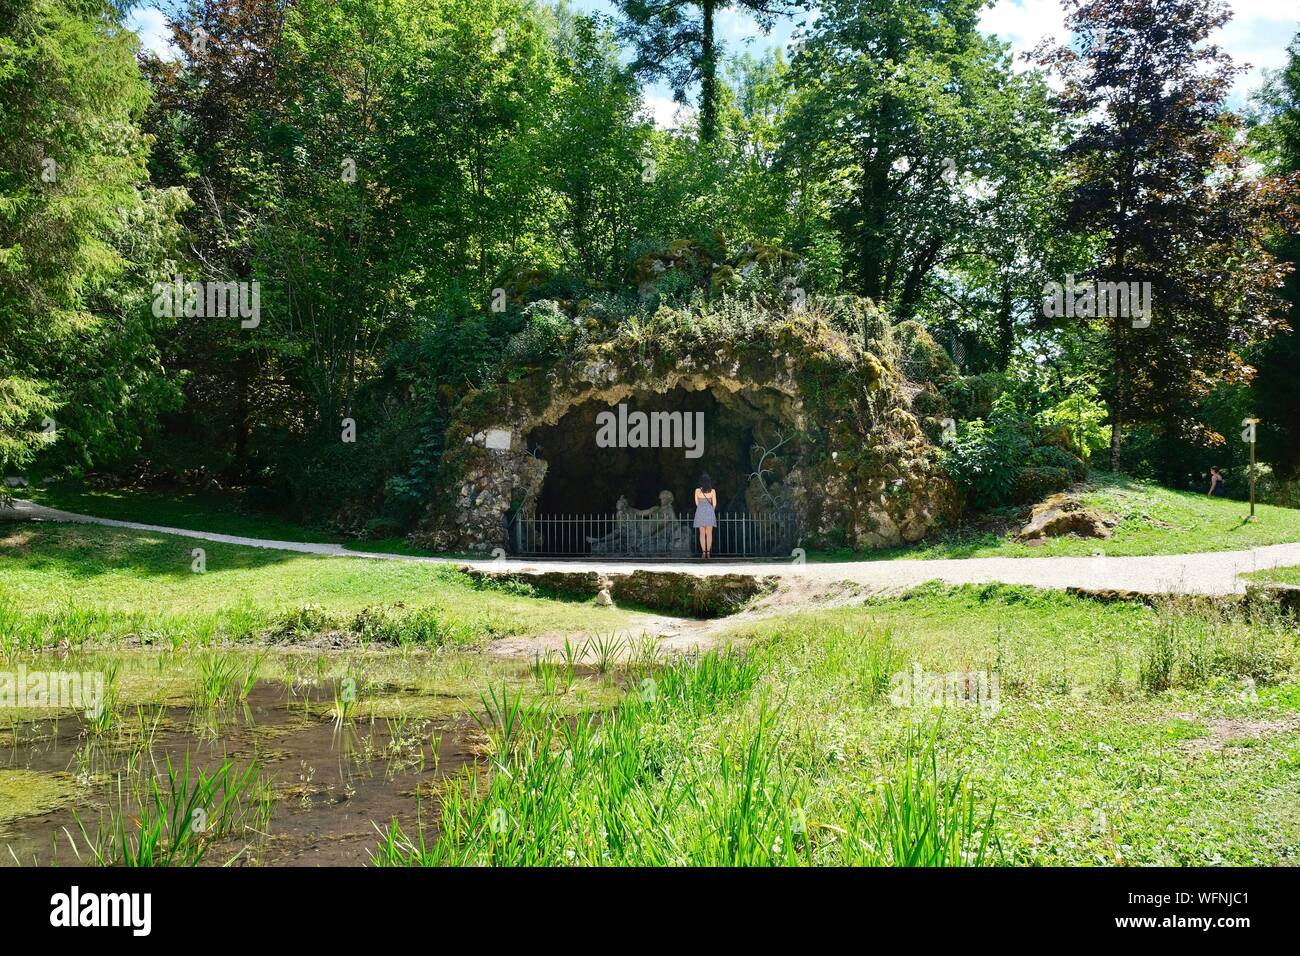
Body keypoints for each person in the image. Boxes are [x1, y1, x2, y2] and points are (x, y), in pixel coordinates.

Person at [693, 474, 718, 559]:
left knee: (702, 533)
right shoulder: (713, 491)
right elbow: (714, 504)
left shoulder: (697, 491)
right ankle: (708, 553)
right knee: (709, 533)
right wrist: (710, 510)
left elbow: (697, 503)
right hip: (709, 511)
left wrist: (701, 508)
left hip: (700, 511)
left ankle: (703, 553)